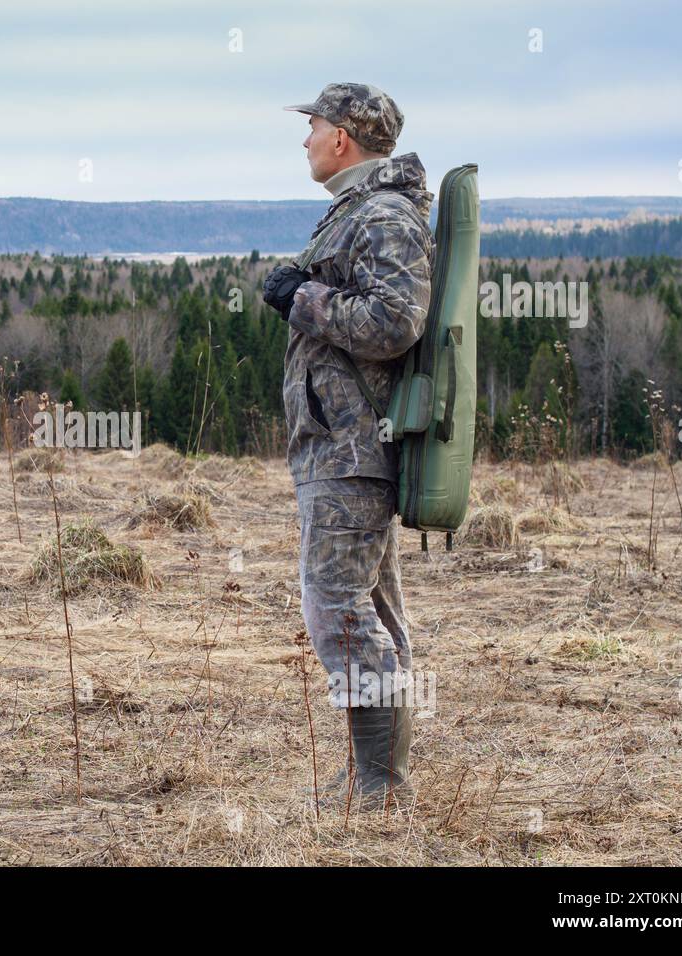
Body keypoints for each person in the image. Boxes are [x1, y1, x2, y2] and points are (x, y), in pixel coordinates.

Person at [262, 82, 433, 809]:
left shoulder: (384, 216)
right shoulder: (360, 212)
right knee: (371, 611)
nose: (304, 139)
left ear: (344, 138)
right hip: (342, 444)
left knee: (336, 609)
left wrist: (301, 297)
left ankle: (379, 786)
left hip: (353, 449)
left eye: (314, 126)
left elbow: (396, 322)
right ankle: (378, 777)